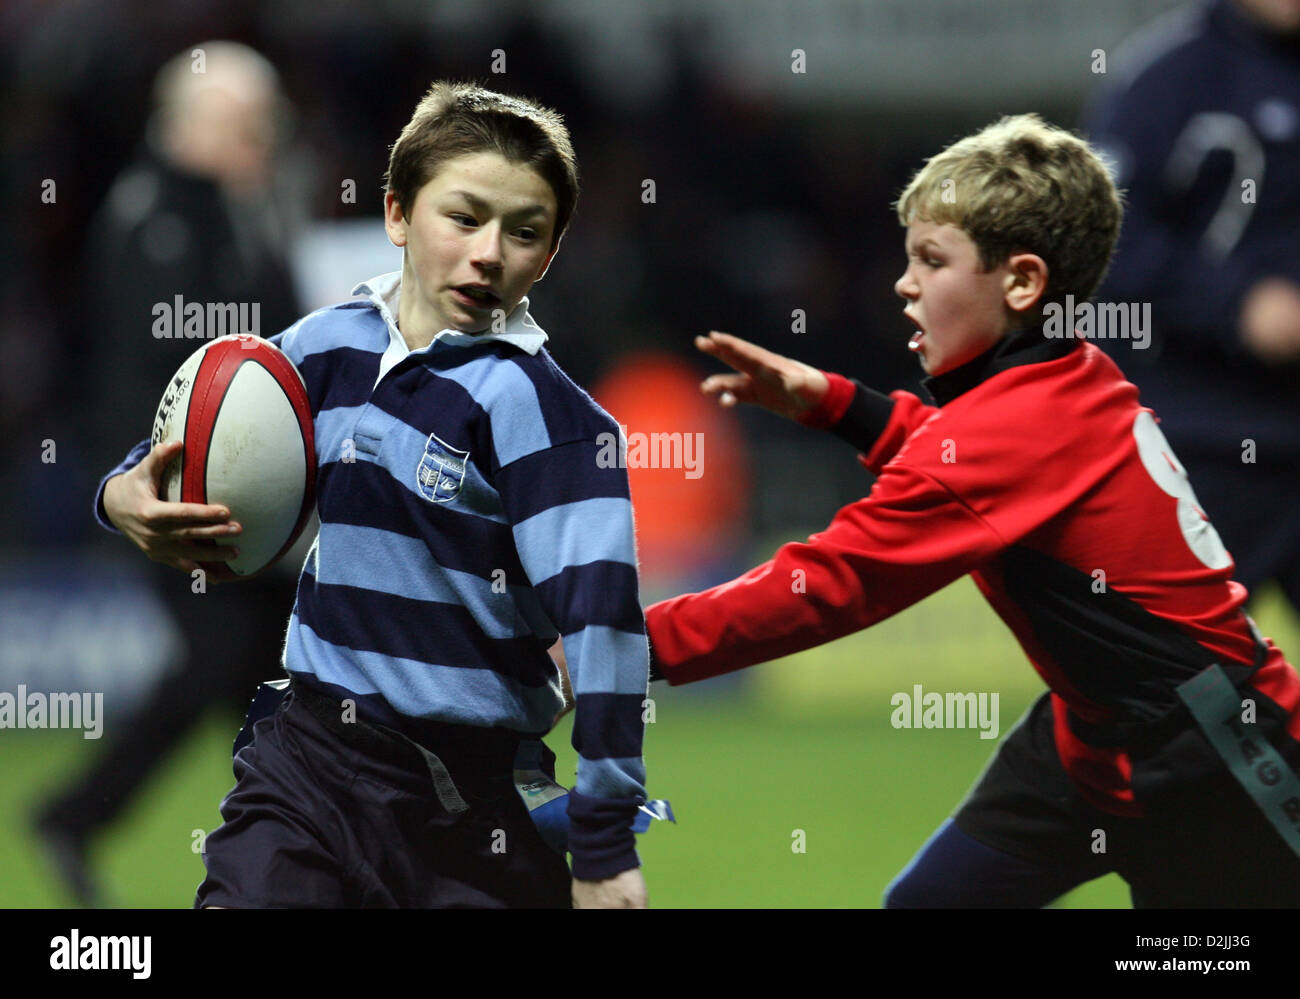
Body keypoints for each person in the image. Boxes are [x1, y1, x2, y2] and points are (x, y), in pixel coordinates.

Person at [644, 113, 1300, 906]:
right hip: (1087, 741)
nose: (903, 282)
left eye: (930, 259)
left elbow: (826, 584)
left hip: (1212, 760)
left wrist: (621, 641)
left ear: (1021, 282)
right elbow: (965, 461)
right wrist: (841, 405)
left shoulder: (1014, 428)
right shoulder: (1066, 373)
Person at [95, 81, 650, 908]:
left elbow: (606, 632)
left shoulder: (557, 421)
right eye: (463, 218)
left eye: (524, 231)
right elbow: (203, 432)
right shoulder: (328, 345)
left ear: (551, 251)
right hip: (308, 768)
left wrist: (603, 846)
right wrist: (121, 494)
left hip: (470, 805)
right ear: (396, 214)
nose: (489, 252)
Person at [35, 41, 303, 907]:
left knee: (265, 677)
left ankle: (300, 834)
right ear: (202, 122)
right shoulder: (160, 215)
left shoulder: (218, 204)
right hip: (178, 496)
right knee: (229, 661)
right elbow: (185, 374)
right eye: (253, 125)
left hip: (224, 498)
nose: (268, 140)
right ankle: (78, 813)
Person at [1082, 0, 1300, 616]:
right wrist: (1238, 304)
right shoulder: (1170, 75)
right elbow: (1104, 234)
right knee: (1174, 684)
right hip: (1202, 441)